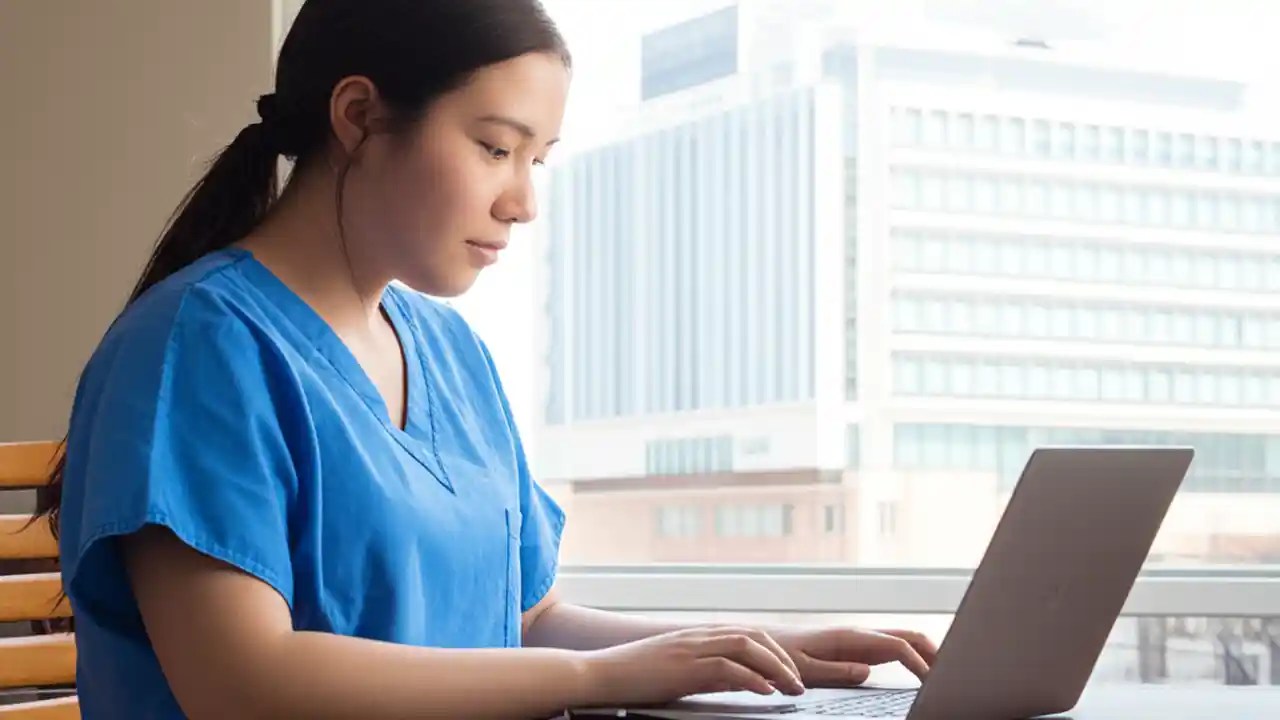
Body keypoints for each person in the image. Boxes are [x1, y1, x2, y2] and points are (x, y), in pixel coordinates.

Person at [41, 1, 938, 717]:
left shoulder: (448, 351)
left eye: (538, 159)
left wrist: (750, 649)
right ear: (358, 116)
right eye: (495, 148)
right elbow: (246, 685)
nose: (522, 203)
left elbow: (524, 622)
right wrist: (602, 681)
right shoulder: (198, 347)